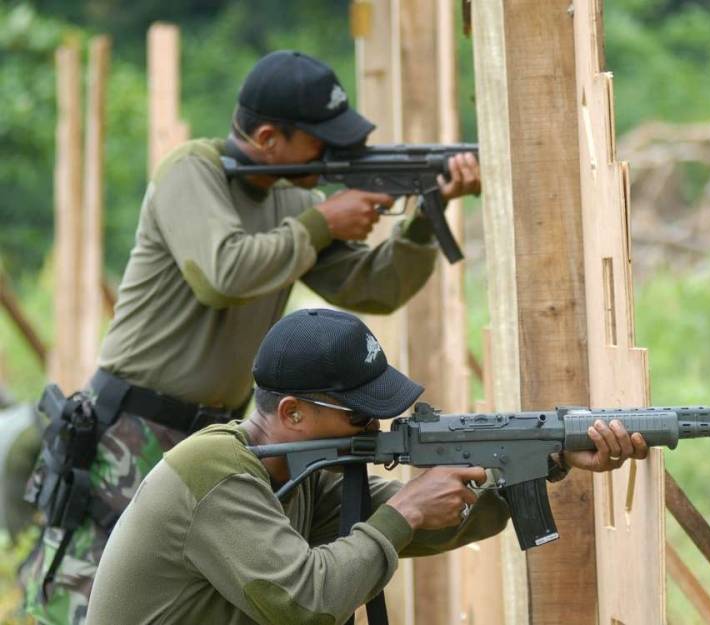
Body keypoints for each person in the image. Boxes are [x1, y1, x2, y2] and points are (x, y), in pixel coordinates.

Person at [19, 50, 480, 625]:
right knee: (76, 599)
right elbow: (221, 274)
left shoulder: (291, 199)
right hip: (134, 427)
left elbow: (373, 288)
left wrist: (419, 220)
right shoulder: (191, 171)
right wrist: (321, 222)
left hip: (227, 431)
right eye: (319, 139)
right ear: (267, 137)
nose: (332, 155)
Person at [84, 309, 650, 625]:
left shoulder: (306, 470)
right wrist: (405, 507)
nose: (377, 428)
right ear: (292, 414)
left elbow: (429, 526)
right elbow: (305, 600)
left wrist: (542, 459)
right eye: (361, 414)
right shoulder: (217, 472)